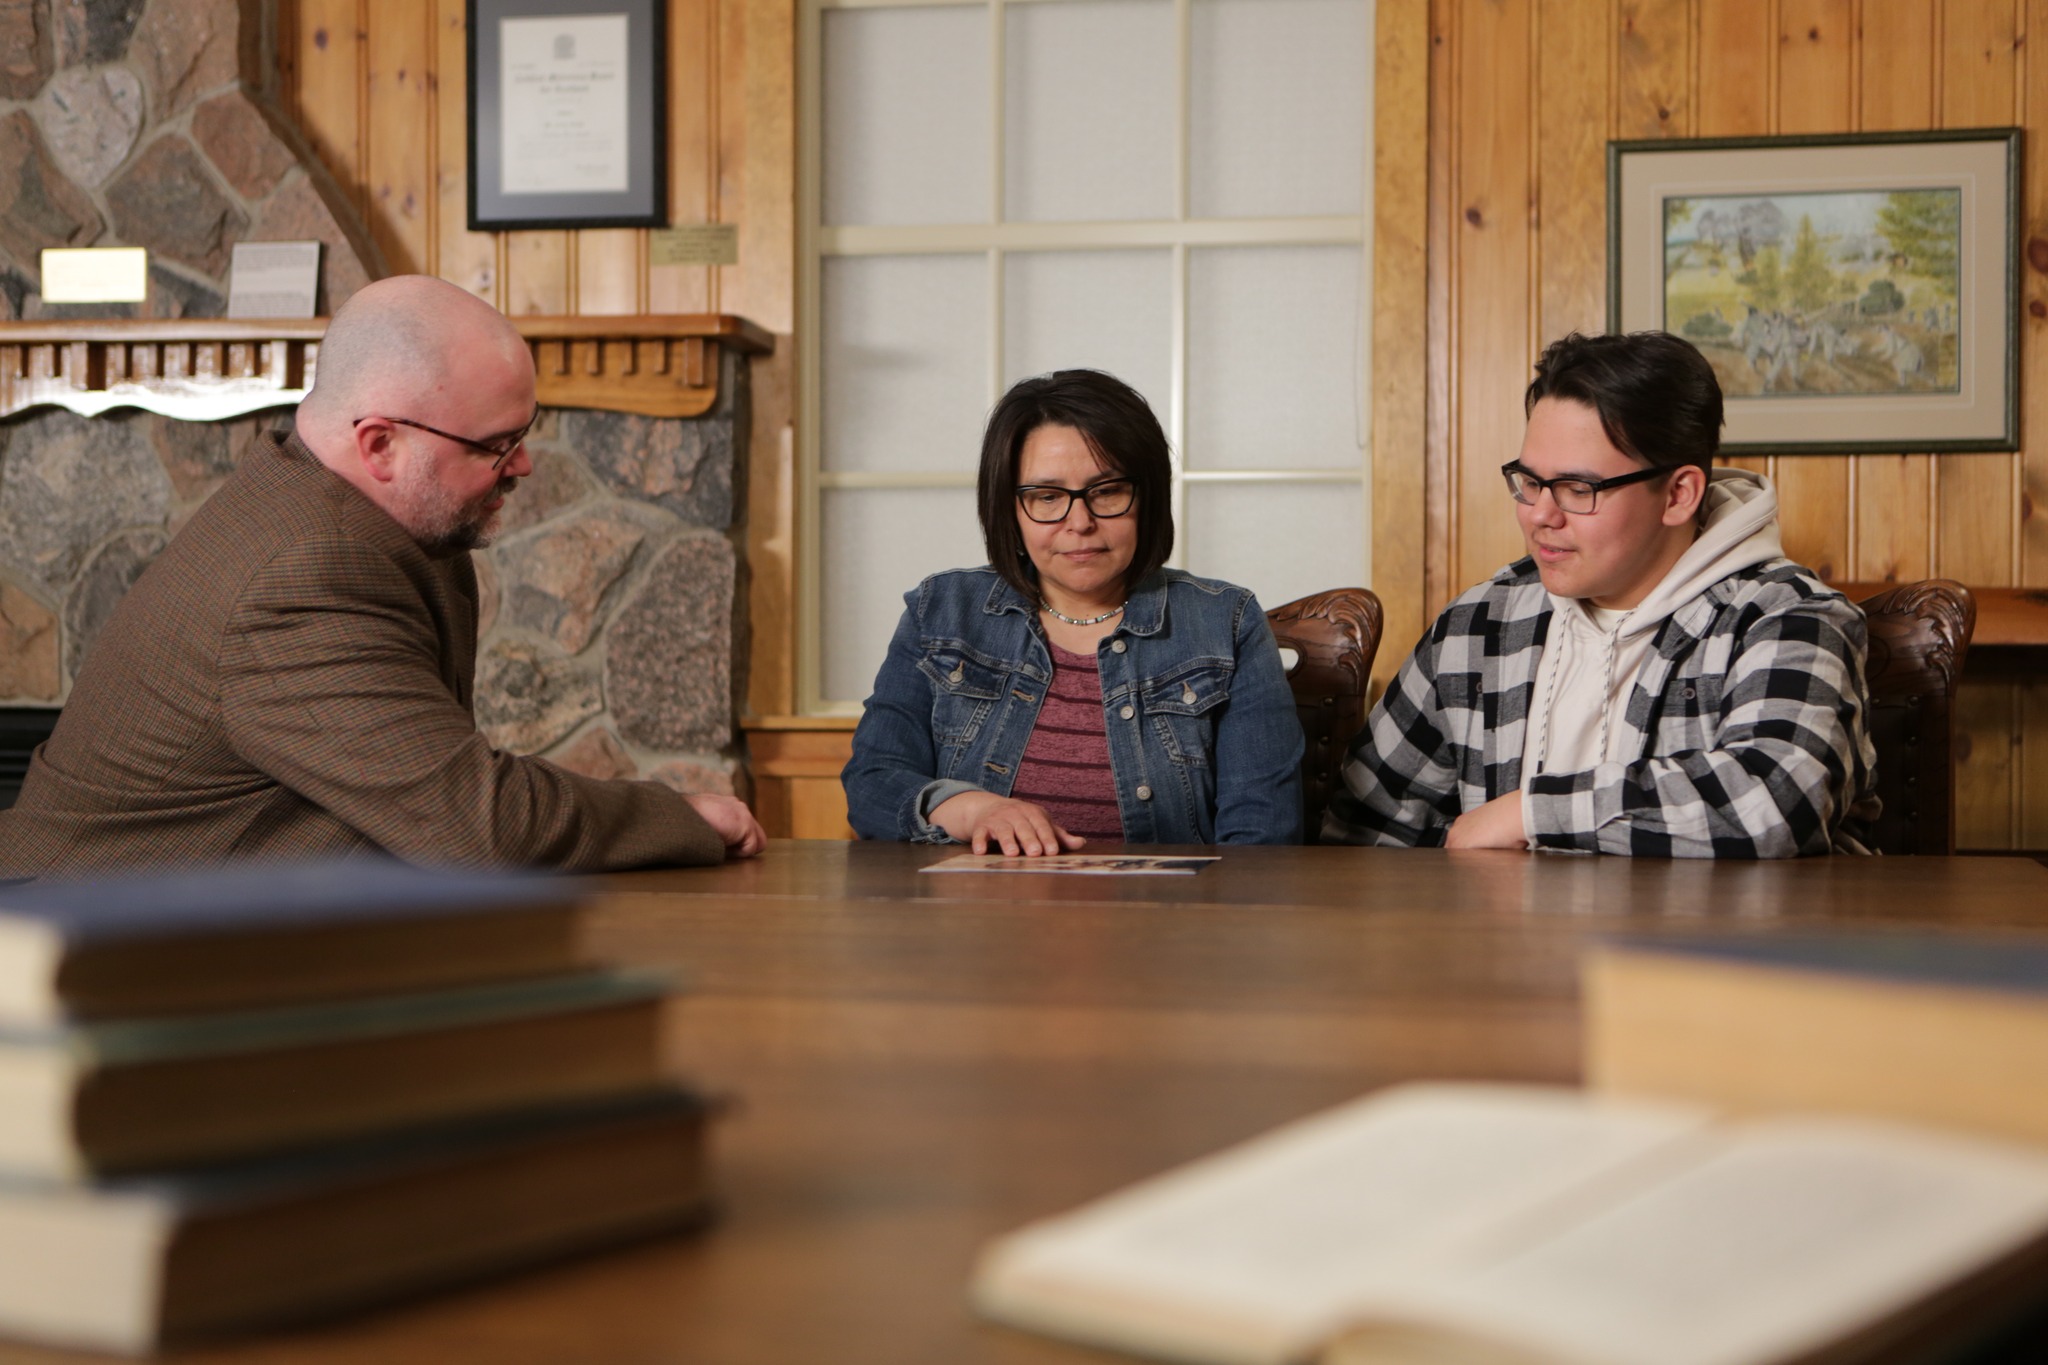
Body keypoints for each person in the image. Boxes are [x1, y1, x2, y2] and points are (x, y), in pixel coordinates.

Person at [0, 275, 764, 876]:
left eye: (524, 433)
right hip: (83, 964)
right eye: (496, 444)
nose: (523, 464)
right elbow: (478, 825)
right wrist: (684, 817)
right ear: (380, 445)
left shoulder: (364, 517)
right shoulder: (303, 570)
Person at [1324, 330, 1877, 857]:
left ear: (1679, 495)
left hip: (1709, 955)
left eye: (1576, 488)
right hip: (1502, 953)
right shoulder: (1481, 624)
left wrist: (1530, 815)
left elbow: (1777, 800)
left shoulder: (1786, 619)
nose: (1540, 515)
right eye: (1530, 481)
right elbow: (1362, 826)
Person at [842, 369, 1302, 853]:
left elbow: (1262, 837)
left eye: (1106, 492)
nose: (1079, 523)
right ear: (1009, 509)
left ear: (1147, 497)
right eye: (1047, 496)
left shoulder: (1225, 622)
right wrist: (974, 808)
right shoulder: (940, 612)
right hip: (975, 918)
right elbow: (873, 782)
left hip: (1167, 919)